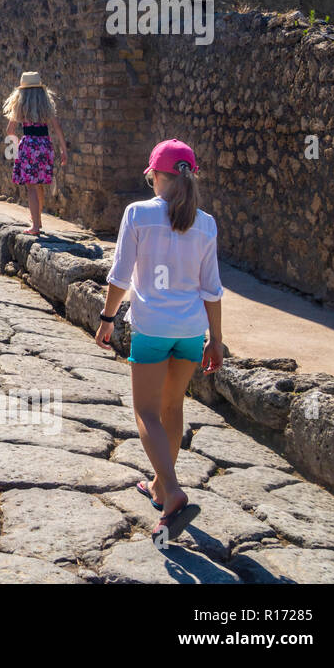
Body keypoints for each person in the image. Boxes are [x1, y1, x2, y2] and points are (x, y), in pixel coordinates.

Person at [96, 138, 225, 545]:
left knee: (146, 412)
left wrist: (107, 318)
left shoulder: (138, 214)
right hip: (190, 331)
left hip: (152, 328)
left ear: (156, 175)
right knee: (172, 407)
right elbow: (212, 290)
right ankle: (156, 483)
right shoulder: (206, 223)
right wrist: (216, 341)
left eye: (150, 174)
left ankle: (171, 491)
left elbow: (119, 276)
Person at [3, 71, 67, 235]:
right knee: (39, 185)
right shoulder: (46, 106)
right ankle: (38, 220)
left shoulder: (20, 106)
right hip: (45, 145)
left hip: (29, 145)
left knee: (31, 186)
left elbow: (10, 130)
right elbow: (57, 128)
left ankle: (36, 226)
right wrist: (63, 149)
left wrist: (17, 144)